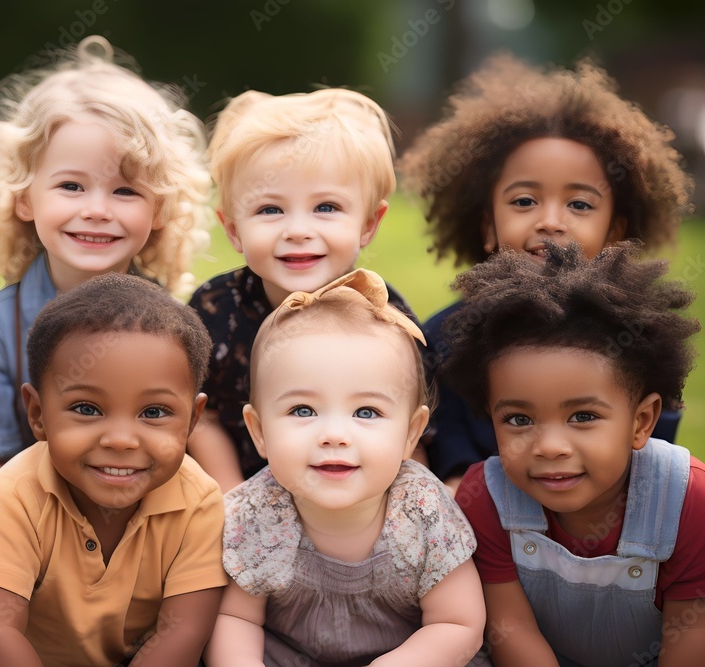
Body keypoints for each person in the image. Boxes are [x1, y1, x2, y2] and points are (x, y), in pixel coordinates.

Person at [397, 54, 694, 491]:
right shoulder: (448, 335)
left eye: (579, 204)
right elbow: (446, 448)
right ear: (486, 226)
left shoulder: (635, 336)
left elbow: (655, 442)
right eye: (523, 201)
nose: (551, 221)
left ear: (615, 230)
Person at [0, 35, 211, 526]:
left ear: (160, 207)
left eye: (125, 190)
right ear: (24, 198)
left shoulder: (176, 326)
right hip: (31, 518)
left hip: (145, 516)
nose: (96, 210)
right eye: (71, 186)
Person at [206, 269, 487, 667]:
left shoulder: (423, 509)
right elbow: (236, 618)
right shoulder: (255, 514)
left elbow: (458, 624)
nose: (334, 435)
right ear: (259, 431)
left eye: (366, 411)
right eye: (303, 410)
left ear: (411, 434)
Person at [445, 243, 705, 666]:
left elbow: (689, 644)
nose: (549, 447)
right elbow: (514, 631)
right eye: (518, 420)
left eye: (583, 416)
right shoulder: (486, 498)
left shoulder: (687, 502)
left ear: (641, 421)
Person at [0, 273, 227, 667]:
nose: (120, 440)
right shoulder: (16, 493)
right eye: (87, 409)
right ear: (38, 414)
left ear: (192, 421)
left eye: (154, 413)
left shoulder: (198, 501)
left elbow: (183, 632)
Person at [188, 88, 417, 493]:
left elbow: (407, 424)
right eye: (270, 210)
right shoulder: (215, 310)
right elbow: (199, 414)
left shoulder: (383, 316)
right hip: (242, 487)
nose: (297, 231)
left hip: (353, 494)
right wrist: (229, 495)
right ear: (233, 229)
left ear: (368, 223)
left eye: (326, 207)